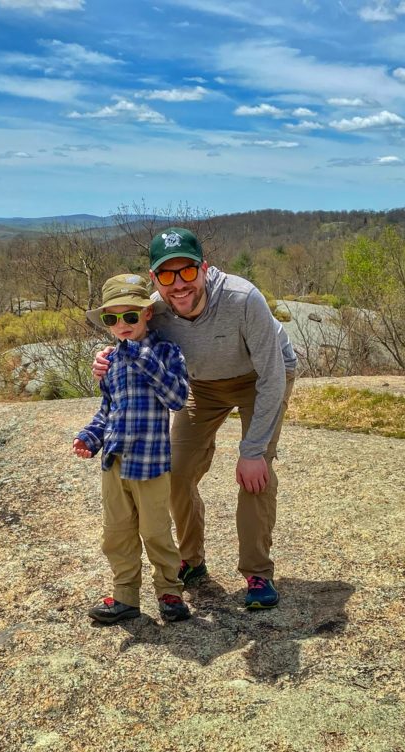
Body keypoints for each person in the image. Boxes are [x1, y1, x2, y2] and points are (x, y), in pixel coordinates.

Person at [93, 227, 297, 610]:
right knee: (176, 471)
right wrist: (104, 357)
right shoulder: (156, 308)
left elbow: (273, 375)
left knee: (255, 475)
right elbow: (128, 334)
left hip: (261, 378)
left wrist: (252, 451)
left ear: (204, 268)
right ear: (155, 278)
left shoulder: (242, 298)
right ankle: (191, 561)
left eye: (187, 271)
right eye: (167, 276)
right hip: (202, 387)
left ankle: (257, 572)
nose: (179, 285)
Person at [74, 273, 192, 624]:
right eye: (112, 319)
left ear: (147, 314)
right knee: (117, 533)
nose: (121, 325)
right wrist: (90, 437)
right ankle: (125, 596)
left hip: (151, 463)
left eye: (130, 316)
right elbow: (108, 410)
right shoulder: (110, 363)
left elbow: (177, 398)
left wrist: (142, 356)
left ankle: (169, 591)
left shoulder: (166, 352)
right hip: (114, 461)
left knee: (156, 532)